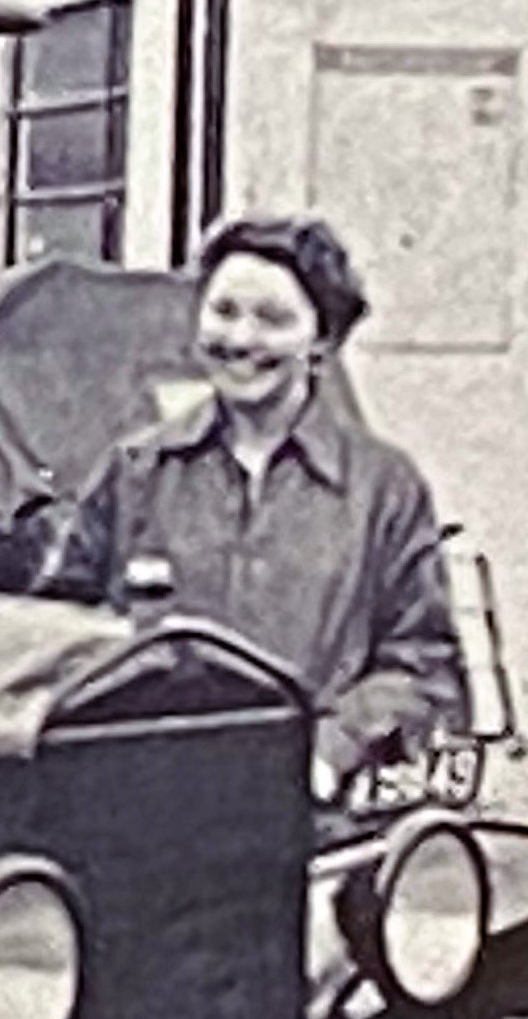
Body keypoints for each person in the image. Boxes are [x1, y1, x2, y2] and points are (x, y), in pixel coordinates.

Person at [27, 214, 466, 795]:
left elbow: (422, 662)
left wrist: (332, 750)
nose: (240, 340)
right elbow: (57, 633)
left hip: (308, 814)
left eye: (273, 320)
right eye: (224, 311)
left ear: (323, 339)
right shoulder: (136, 471)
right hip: (140, 798)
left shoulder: (384, 487)